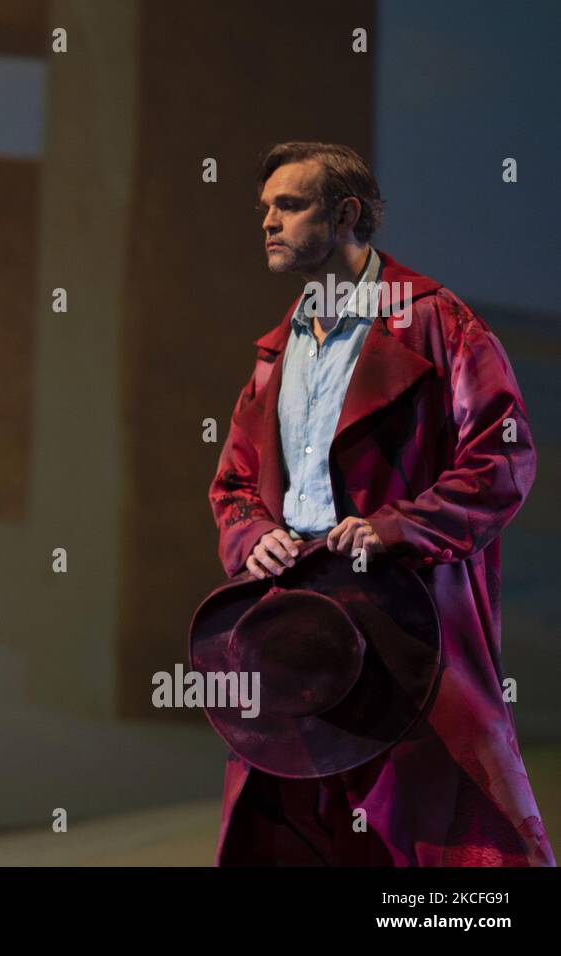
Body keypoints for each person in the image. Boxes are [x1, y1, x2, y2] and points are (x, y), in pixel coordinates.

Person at [208, 141, 554, 866]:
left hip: (406, 619)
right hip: (295, 621)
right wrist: (254, 538)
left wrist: (398, 528)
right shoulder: (277, 350)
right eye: (264, 207)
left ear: (346, 216)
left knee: (433, 827)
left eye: (289, 205)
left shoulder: (438, 324)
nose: (267, 222)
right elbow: (234, 484)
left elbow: (504, 456)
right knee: (299, 822)